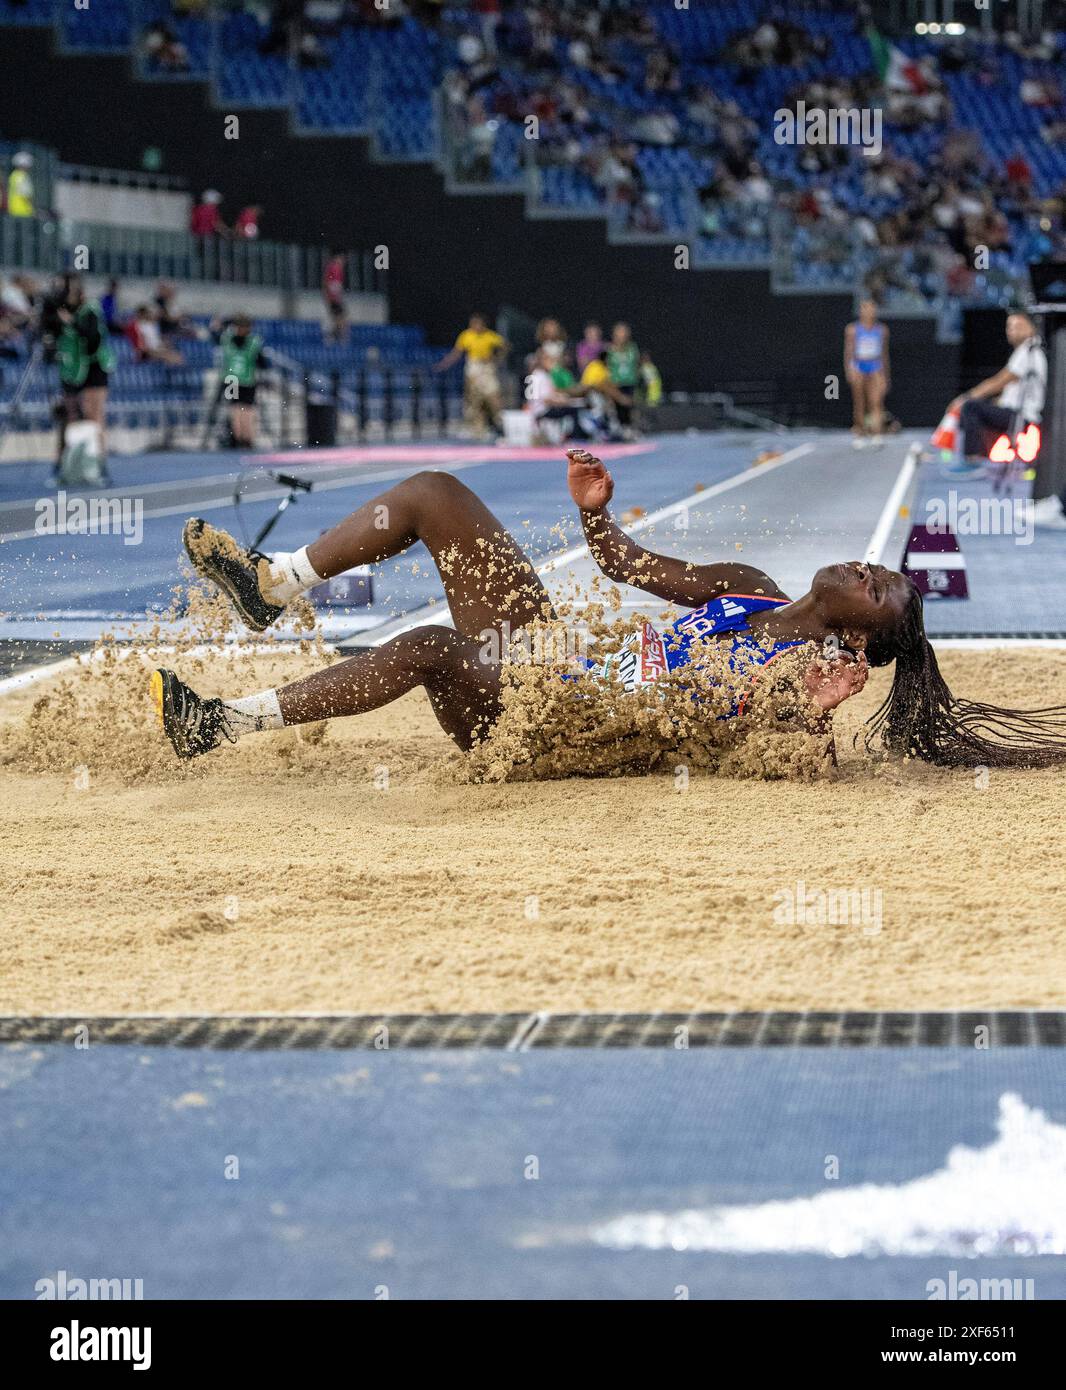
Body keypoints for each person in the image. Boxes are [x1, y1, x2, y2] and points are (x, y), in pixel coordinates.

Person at [154, 451, 1066, 771]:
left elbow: (782, 771)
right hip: (551, 657)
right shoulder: (746, 582)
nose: (865, 565)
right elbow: (629, 564)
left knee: (431, 643)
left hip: (555, 726)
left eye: (876, 585)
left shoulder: (804, 685)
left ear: (859, 636)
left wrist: (809, 723)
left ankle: (222, 726)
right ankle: (272, 588)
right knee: (435, 493)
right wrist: (596, 515)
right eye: (877, 563)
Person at [945, 311, 1046, 473]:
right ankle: (979, 457)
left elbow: (999, 382)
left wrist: (966, 397)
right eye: (1009, 327)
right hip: (1015, 412)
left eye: (1018, 326)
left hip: (1024, 417)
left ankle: (972, 459)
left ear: (1031, 329)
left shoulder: (1029, 351)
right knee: (982, 407)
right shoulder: (1024, 351)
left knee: (971, 407)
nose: (1011, 331)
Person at [54, 274, 115, 482]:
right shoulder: (69, 310)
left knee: (94, 415)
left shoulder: (90, 309)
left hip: (96, 365)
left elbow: (92, 338)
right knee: (76, 415)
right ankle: (75, 464)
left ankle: (99, 464)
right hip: (78, 367)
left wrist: (71, 322)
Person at [435, 312, 508, 439]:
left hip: (487, 368)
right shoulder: (466, 335)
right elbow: (457, 353)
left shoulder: (490, 336)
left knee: (493, 398)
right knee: (474, 400)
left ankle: (500, 427)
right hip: (473, 368)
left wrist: (496, 359)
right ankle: (478, 430)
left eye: (478, 324)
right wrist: (444, 364)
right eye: (473, 324)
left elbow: (505, 347)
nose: (475, 326)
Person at [212, 314, 266, 448]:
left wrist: (222, 322)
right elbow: (263, 363)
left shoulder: (227, 338)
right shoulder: (254, 341)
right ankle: (245, 438)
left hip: (232, 379)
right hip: (246, 379)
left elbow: (214, 331)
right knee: (243, 409)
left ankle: (240, 438)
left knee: (239, 409)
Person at [844, 299, 890, 449]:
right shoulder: (852, 329)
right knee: (859, 402)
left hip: (875, 365)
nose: (870, 312)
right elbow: (848, 352)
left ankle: (877, 433)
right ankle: (859, 432)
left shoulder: (882, 330)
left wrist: (885, 375)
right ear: (861, 311)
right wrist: (849, 370)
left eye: (873, 309)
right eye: (867, 309)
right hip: (859, 365)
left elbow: (884, 353)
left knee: (876, 402)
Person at [606, 321, 640, 437]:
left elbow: (635, 364)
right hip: (615, 383)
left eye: (623, 332)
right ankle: (619, 428)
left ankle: (630, 427)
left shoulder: (632, 348)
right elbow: (607, 367)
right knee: (618, 406)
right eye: (619, 332)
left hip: (629, 382)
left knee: (629, 405)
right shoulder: (609, 349)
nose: (621, 335)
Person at [322, 250, 347, 344]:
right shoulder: (334, 268)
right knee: (340, 318)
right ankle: (335, 337)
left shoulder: (336, 268)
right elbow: (329, 283)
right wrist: (333, 297)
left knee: (338, 318)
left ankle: (334, 336)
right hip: (334, 298)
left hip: (334, 297)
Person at [6, 152, 34, 218]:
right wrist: (32, 209)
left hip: (13, 208)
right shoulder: (22, 176)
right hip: (23, 210)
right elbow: (26, 194)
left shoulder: (14, 175)